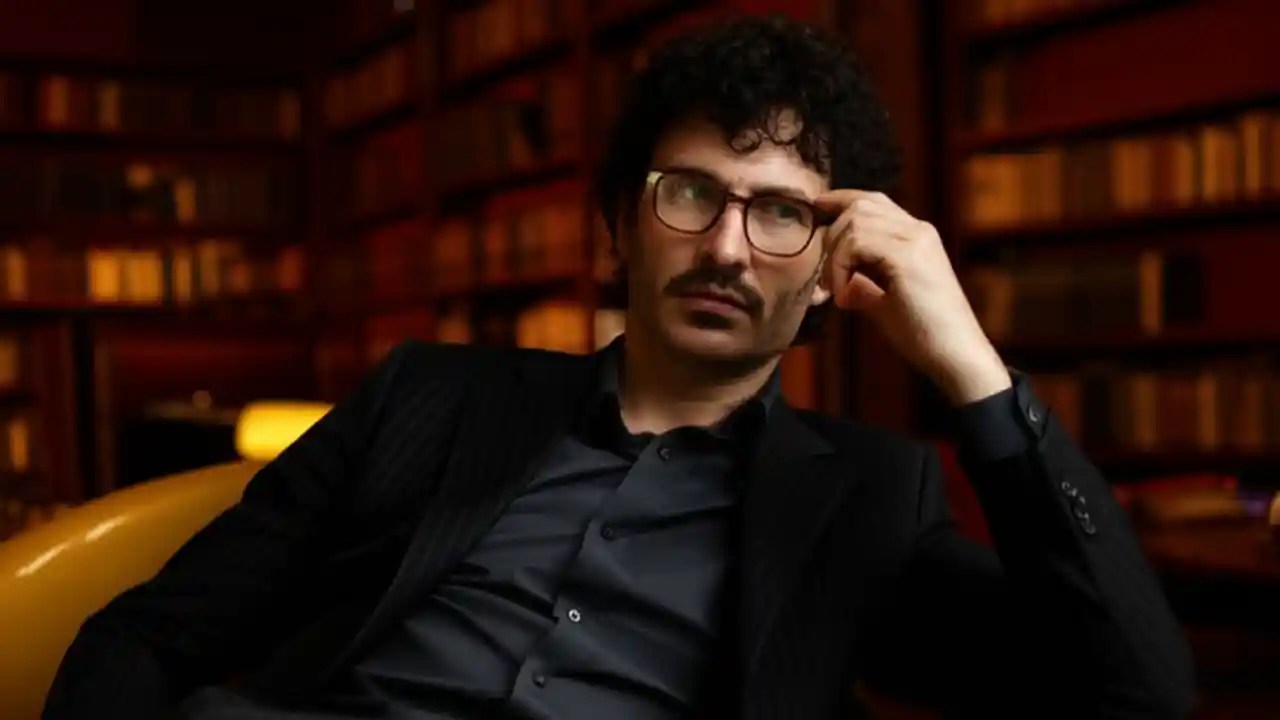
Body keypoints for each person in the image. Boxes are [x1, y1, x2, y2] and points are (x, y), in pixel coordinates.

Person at [45, 14, 1194, 720]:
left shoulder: (863, 504)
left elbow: (1131, 695)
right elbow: (148, 637)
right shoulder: (428, 396)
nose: (727, 246)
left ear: (828, 277)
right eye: (689, 193)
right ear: (616, 231)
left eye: (782, 214)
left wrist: (974, 372)